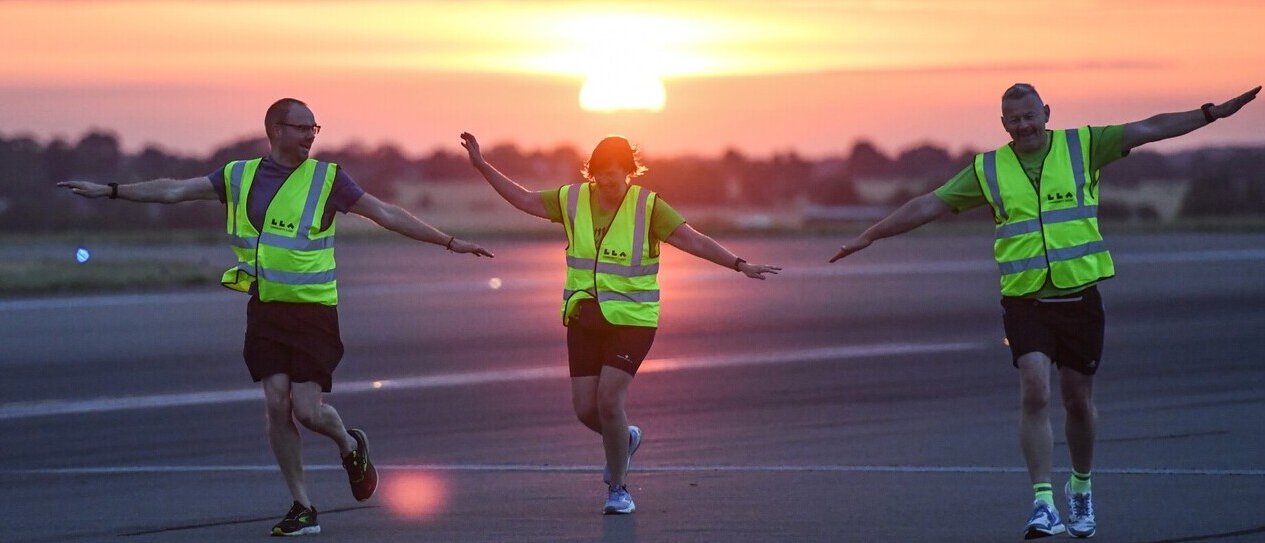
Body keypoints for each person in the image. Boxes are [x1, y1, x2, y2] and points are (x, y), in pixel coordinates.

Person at [828, 83, 1259, 539]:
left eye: (1030, 116)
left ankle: (1081, 486)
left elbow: (1149, 128)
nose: (1024, 126)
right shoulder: (989, 168)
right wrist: (870, 235)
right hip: (1025, 301)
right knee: (1034, 390)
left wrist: (1211, 113)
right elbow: (929, 204)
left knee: (1078, 401)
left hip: (1080, 300)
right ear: (1003, 124)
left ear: (1046, 113)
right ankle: (1043, 502)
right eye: (1013, 120)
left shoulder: (1084, 145)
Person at [58, 98, 494, 537]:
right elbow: (174, 189)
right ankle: (302, 505)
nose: (310, 136)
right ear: (275, 130)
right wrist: (111, 191)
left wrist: (449, 241)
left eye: (314, 129)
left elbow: (384, 213)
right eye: (303, 128)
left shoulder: (328, 179)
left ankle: (348, 443)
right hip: (266, 307)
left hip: (314, 311)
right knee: (274, 402)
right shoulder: (239, 175)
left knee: (307, 411)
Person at [460, 132, 780, 514]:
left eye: (613, 174)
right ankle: (624, 439)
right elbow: (524, 199)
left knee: (609, 401)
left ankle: (619, 488)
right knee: (585, 409)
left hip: (632, 318)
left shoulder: (647, 206)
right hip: (584, 315)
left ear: (629, 171)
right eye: (599, 174)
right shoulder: (573, 199)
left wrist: (739, 264)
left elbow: (692, 240)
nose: (606, 181)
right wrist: (481, 166)